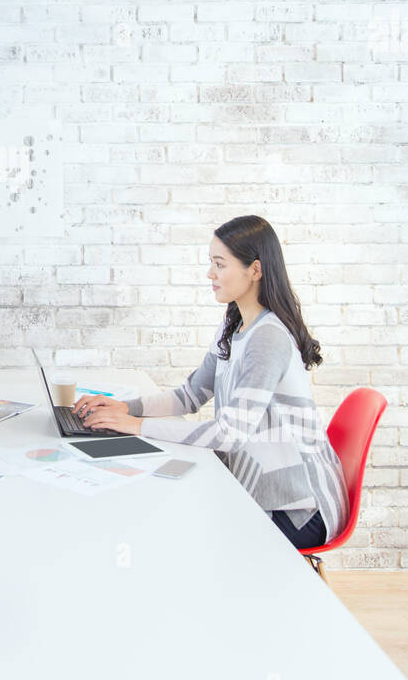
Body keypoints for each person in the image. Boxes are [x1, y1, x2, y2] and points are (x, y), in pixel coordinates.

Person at [73, 214, 350, 550]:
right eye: (211, 263)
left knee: (179, 528)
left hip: (298, 509)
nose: (210, 274)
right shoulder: (234, 327)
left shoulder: (269, 338)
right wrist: (123, 408)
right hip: (263, 491)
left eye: (220, 264)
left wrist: (134, 424)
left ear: (255, 270)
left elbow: (230, 433)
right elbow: (189, 396)